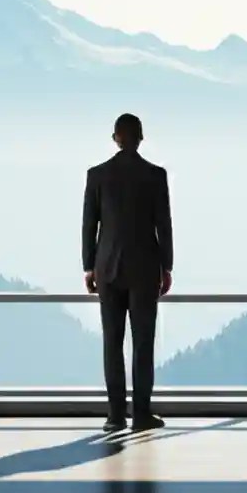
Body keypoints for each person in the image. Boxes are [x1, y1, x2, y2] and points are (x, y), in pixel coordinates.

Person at [82, 113, 173, 432]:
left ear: (115, 138)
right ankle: (142, 414)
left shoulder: (97, 175)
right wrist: (167, 267)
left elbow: (89, 226)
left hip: (107, 268)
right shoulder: (155, 175)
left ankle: (115, 414)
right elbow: (164, 225)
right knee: (143, 344)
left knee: (112, 342)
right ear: (141, 138)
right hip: (146, 268)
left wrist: (89, 266)